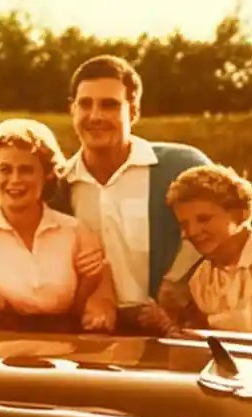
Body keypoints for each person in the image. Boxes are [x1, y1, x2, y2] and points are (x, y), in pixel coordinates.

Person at [49, 54, 212, 332]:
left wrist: (178, 283)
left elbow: (231, 229)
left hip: (170, 334)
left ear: (133, 111)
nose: (96, 116)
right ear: (72, 110)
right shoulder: (57, 186)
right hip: (90, 336)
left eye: (110, 105)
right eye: (85, 104)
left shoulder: (181, 167)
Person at [0, 118, 112, 333]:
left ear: (47, 174)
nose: (15, 180)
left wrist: (99, 308)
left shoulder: (76, 233)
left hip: (63, 357)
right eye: (5, 170)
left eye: (26, 170)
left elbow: (102, 305)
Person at [139, 164, 252, 336]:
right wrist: (169, 326)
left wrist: (209, 323)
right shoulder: (202, 279)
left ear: (240, 214)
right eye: (184, 224)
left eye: (204, 219)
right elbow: (204, 348)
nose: (191, 232)